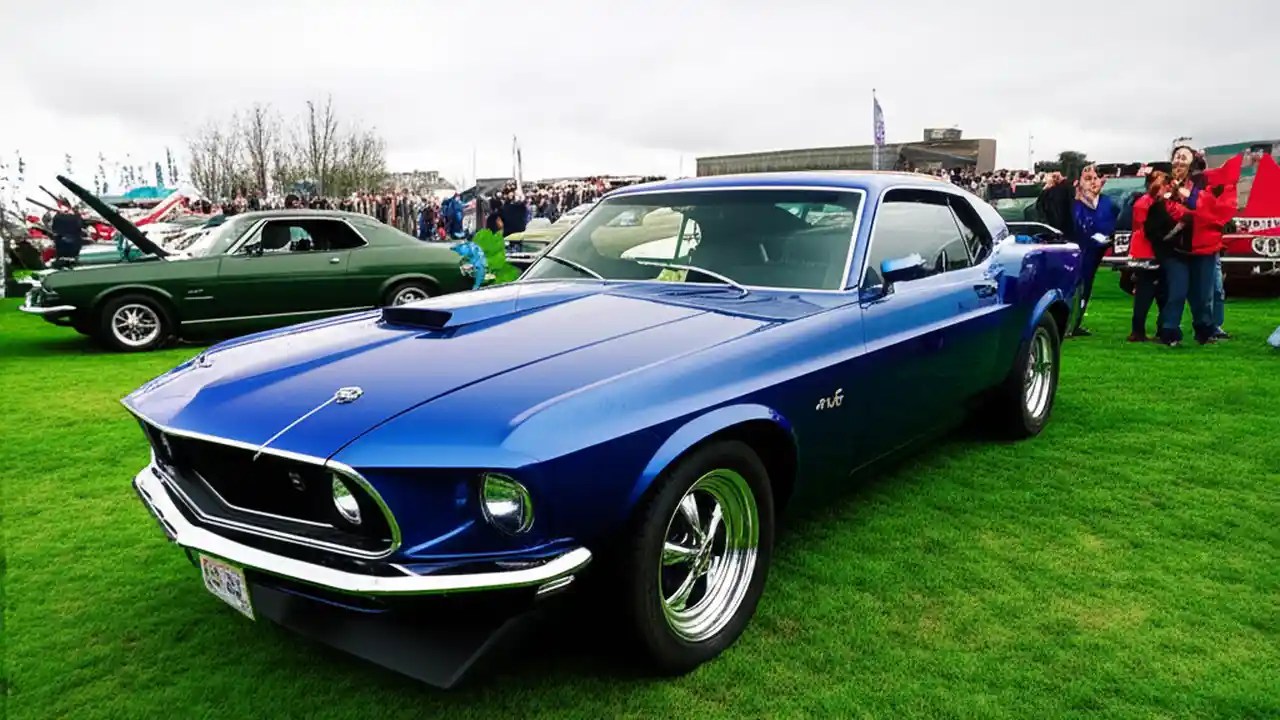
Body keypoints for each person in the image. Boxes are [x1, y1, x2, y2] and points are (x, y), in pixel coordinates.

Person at [1064, 165, 1117, 336]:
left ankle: (1076, 323)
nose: (1093, 183)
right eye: (1087, 179)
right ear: (1078, 183)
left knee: (1086, 287)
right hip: (1079, 251)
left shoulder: (1107, 202)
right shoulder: (1075, 205)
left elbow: (1114, 223)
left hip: (1097, 252)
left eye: (1095, 178)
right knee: (1074, 286)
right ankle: (1068, 324)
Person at [1128, 171, 1170, 341]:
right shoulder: (1144, 204)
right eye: (1162, 184)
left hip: (1149, 251)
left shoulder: (1147, 203)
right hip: (1147, 253)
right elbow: (1146, 230)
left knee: (1159, 293)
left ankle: (1155, 329)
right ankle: (1139, 331)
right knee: (1147, 293)